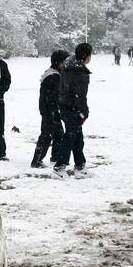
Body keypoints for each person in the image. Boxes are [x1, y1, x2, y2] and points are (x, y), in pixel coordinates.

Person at [54, 43, 93, 177]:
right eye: (89, 55)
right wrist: (84, 112)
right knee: (70, 138)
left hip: (66, 106)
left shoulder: (69, 67)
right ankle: (59, 167)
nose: (90, 58)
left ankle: (80, 166)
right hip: (72, 109)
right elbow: (80, 95)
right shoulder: (78, 72)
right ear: (85, 56)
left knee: (77, 138)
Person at [32, 49, 70, 170]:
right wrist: (54, 111)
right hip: (50, 111)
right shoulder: (53, 76)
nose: (66, 64)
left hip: (52, 110)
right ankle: (36, 160)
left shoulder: (54, 73)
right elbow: (51, 97)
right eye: (65, 62)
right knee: (46, 135)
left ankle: (56, 157)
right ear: (58, 62)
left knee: (59, 134)